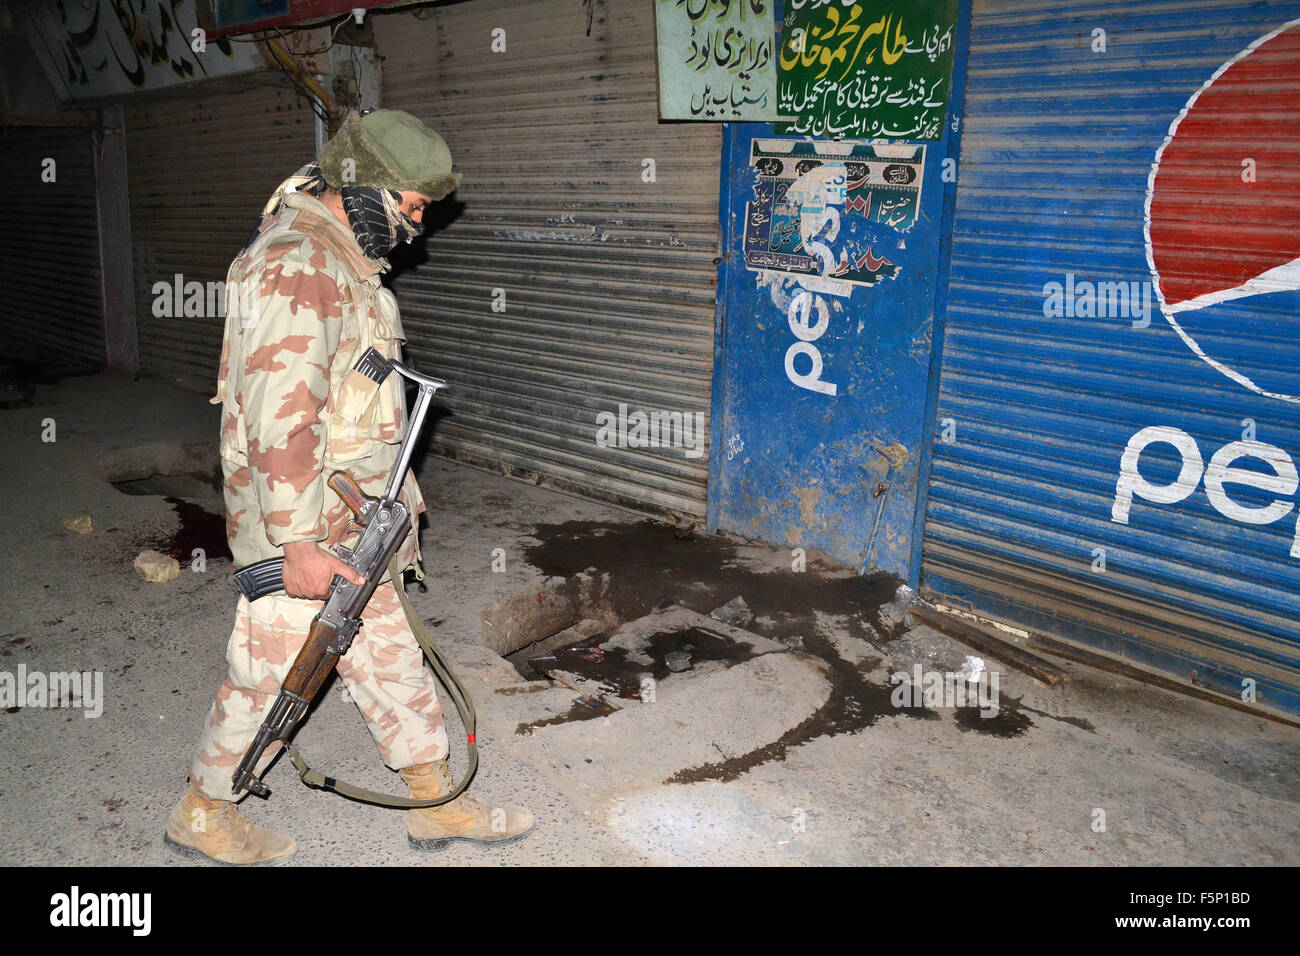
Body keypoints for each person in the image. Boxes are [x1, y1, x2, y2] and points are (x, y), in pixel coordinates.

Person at [163, 109, 533, 865]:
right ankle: (204, 812)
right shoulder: (298, 264)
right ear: (363, 190)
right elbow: (279, 415)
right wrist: (297, 541)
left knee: (387, 654)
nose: (416, 229)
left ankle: (436, 802)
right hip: (305, 528)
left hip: (351, 524)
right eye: (412, 207)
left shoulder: (341, 261)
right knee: (275, 676)